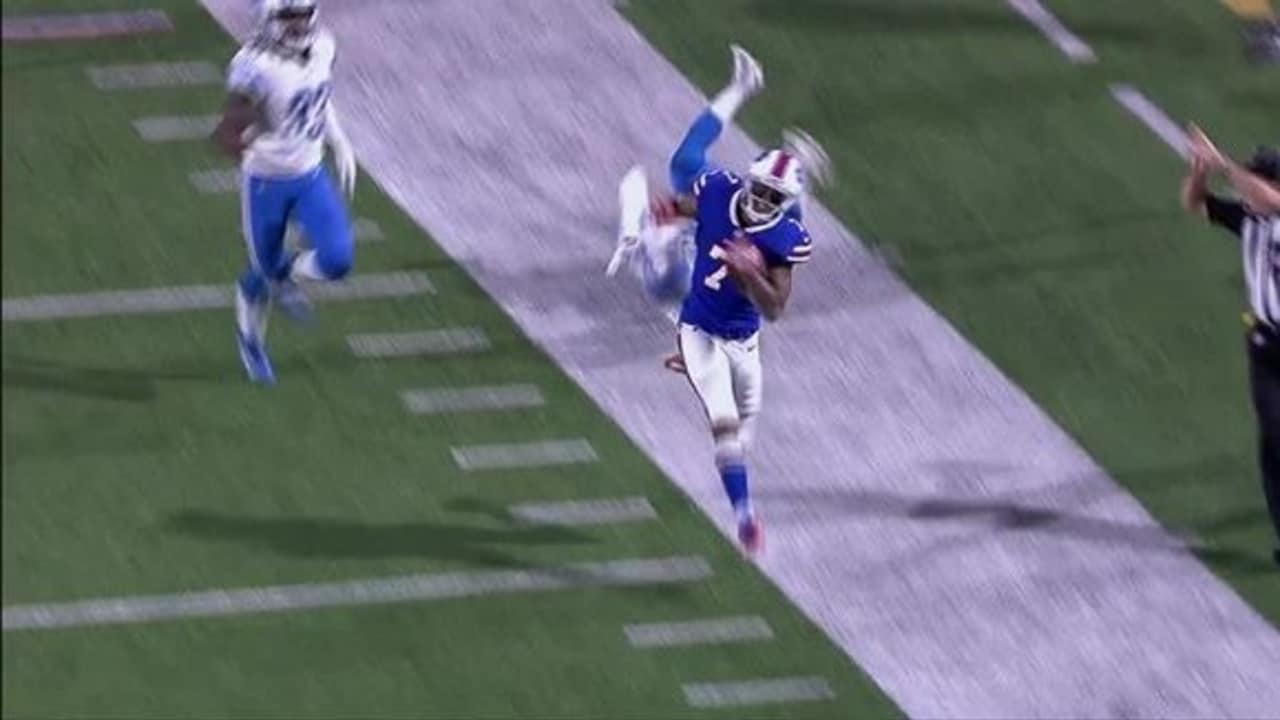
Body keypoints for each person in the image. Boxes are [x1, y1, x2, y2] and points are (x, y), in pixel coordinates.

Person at [609, 45, 829, 554]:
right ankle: (746, 516)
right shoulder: (718, 191)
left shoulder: (784, 231)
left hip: (739, 331)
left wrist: (750, 273)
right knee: (726, 432)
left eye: (775, 197)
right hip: (701, 316)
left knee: (736, 441)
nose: (760, 201)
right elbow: (684, 197)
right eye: (760, 190)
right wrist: (656, 214)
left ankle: (798, 162)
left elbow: (776, 307)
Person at [210, 0, 357, 384]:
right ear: (269, 20)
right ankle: (250, 339)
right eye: (288, 16)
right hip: (266, 182)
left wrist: (338, 139)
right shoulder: (254, 65)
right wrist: (242, 140)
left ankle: (275, 277)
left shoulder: (323, 45)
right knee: (265, 266)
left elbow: (318, 97)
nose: (298, 24)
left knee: (337, 259)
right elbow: (225, 133)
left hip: (309, 174)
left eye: (303, 14)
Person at [1182, 126, 1280, 566]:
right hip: (1264, 346)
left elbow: (1273, 201)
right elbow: (1195, 205)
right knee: (1272, 446)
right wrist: (1201, 175)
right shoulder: (1251, 219)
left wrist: (1224, 164)